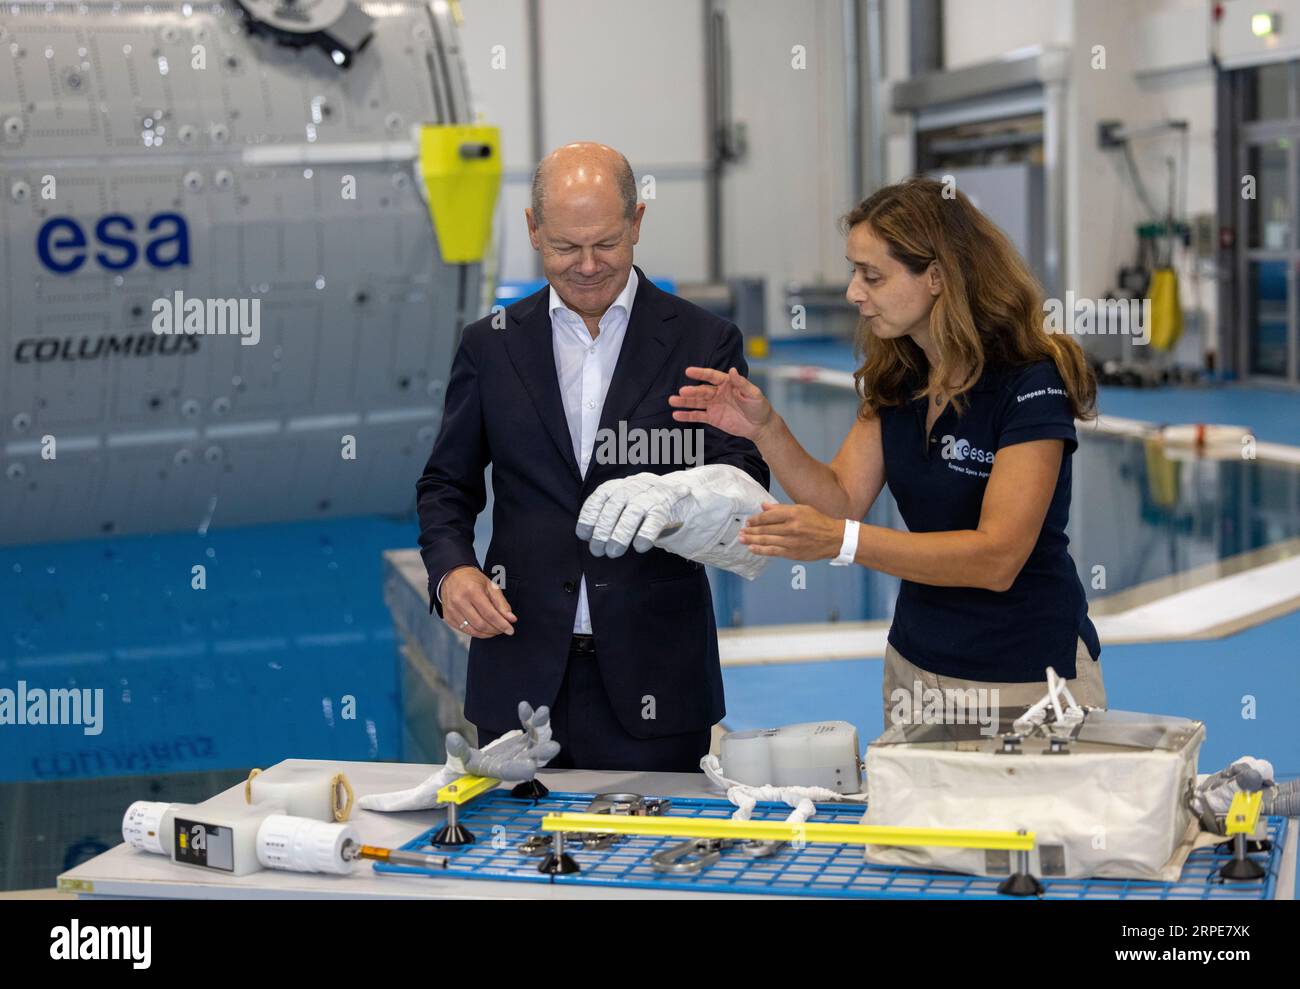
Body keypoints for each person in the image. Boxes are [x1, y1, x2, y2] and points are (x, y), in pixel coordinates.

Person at [670, 176, 1106, 729]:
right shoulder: (900, 376)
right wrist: (766, 429)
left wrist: (843, 543)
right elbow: (842, 500)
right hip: (916, 665)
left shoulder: (1029, 385)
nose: (854, 292)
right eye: (854, 271)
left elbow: (998, 559)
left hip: (1026, 672)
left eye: (872, 275)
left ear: (938, 277)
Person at [415, 142, 768, 772]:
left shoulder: (704, 340)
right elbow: (446, 484)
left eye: (605, 244)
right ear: (532, 229)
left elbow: (744, 482)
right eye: (563, 247)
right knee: (511, 859)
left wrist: (677, 503)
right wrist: (452, 573)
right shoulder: (490, 346)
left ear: (637, 222)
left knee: (655, 862)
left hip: (657, 672)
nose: (585, 266)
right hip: (517, 667)